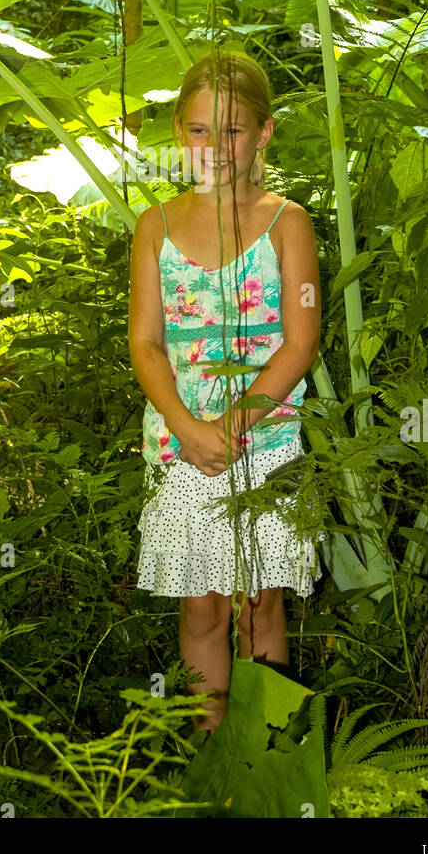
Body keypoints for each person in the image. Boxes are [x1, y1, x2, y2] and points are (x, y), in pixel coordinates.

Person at [127, 51, 324, 734]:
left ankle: (269, 752)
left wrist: (235, 423)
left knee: (256, 603)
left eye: (233, 131)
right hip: (184, 448)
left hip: (263, 446)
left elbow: (300, 342)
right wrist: (186, 425)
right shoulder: (154, 227)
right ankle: (210, 750)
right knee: (201, 606)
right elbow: (146, 343)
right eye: (202, 131)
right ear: (181, 133)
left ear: (264, 134)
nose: (216, 148)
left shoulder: (286, 223)